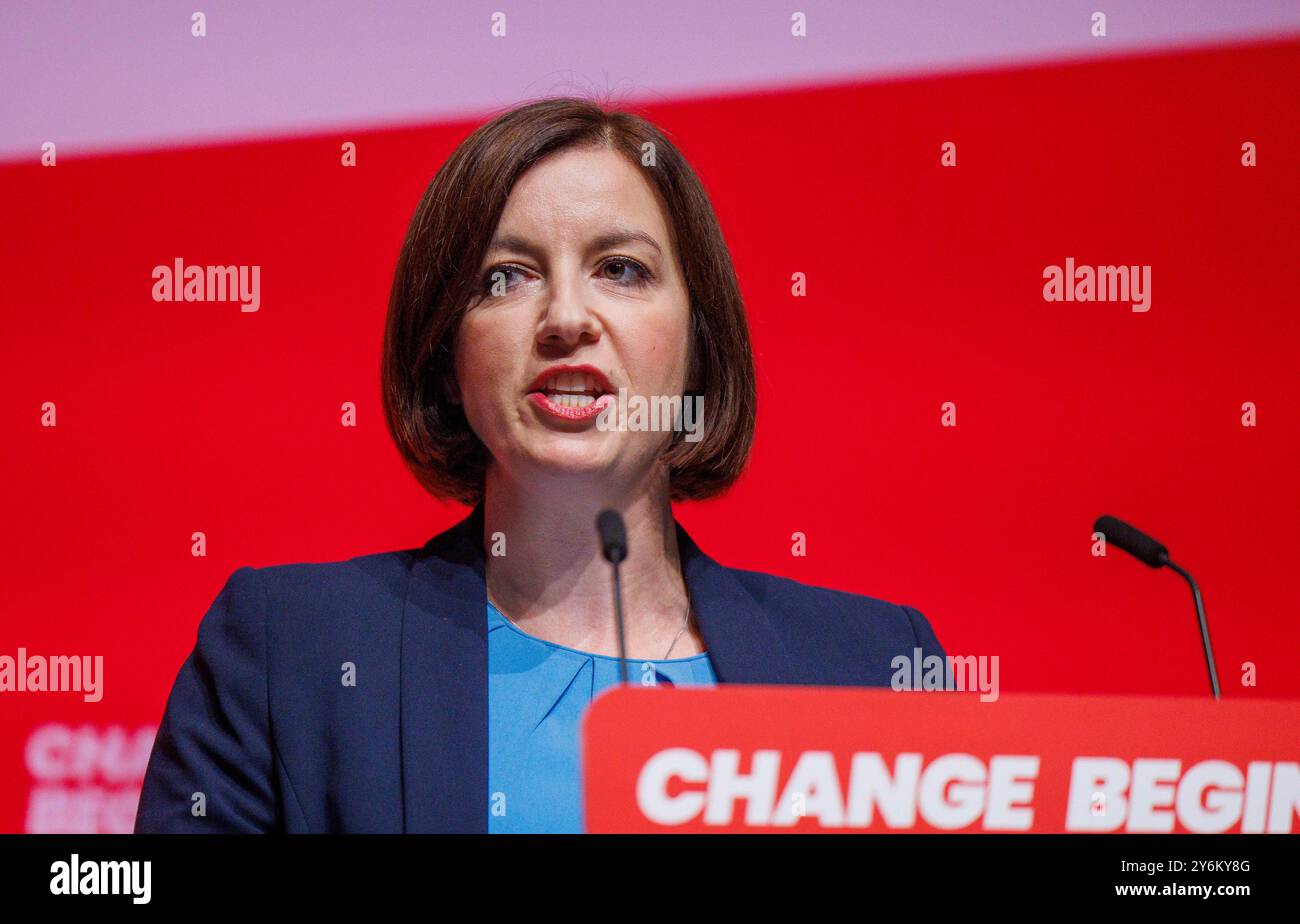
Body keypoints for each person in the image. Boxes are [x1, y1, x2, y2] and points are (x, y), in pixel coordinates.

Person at [134, 96, 946, 834]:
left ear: (699, 342)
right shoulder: (288, 652)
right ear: (447, 352)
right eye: (506, 277)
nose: (565, 318)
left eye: (620, 269)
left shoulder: (872, 665)